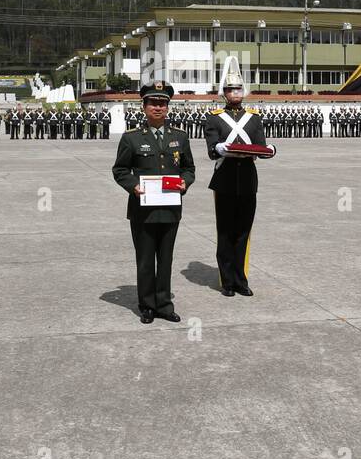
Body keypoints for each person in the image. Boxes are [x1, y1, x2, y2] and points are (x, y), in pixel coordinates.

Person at [112, 81, 195, 324]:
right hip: (142, 210)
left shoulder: (179, 137)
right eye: (153, 103)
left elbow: (189, 168)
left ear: (168, 107)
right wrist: (133, 186)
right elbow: (120, 170)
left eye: (162, 103)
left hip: (170, 209)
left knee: (166, 259)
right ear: (144, 106)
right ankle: (147, 305)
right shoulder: (132, 139)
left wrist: (185, 183)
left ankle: (164, 305)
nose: (158, 108)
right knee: (146, 260)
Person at [204, 57, 275, 297]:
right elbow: (212, 150)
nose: (235, 92)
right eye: (230, 89)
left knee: (244, 231)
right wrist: (221, 148)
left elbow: (261, 146)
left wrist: (270, 151)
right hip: (224, 180)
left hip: (247, 180)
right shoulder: (214, 117)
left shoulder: (254, 117)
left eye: (238, 89)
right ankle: (227, 281)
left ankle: (241, 279)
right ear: (224, 93)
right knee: (224, 232)